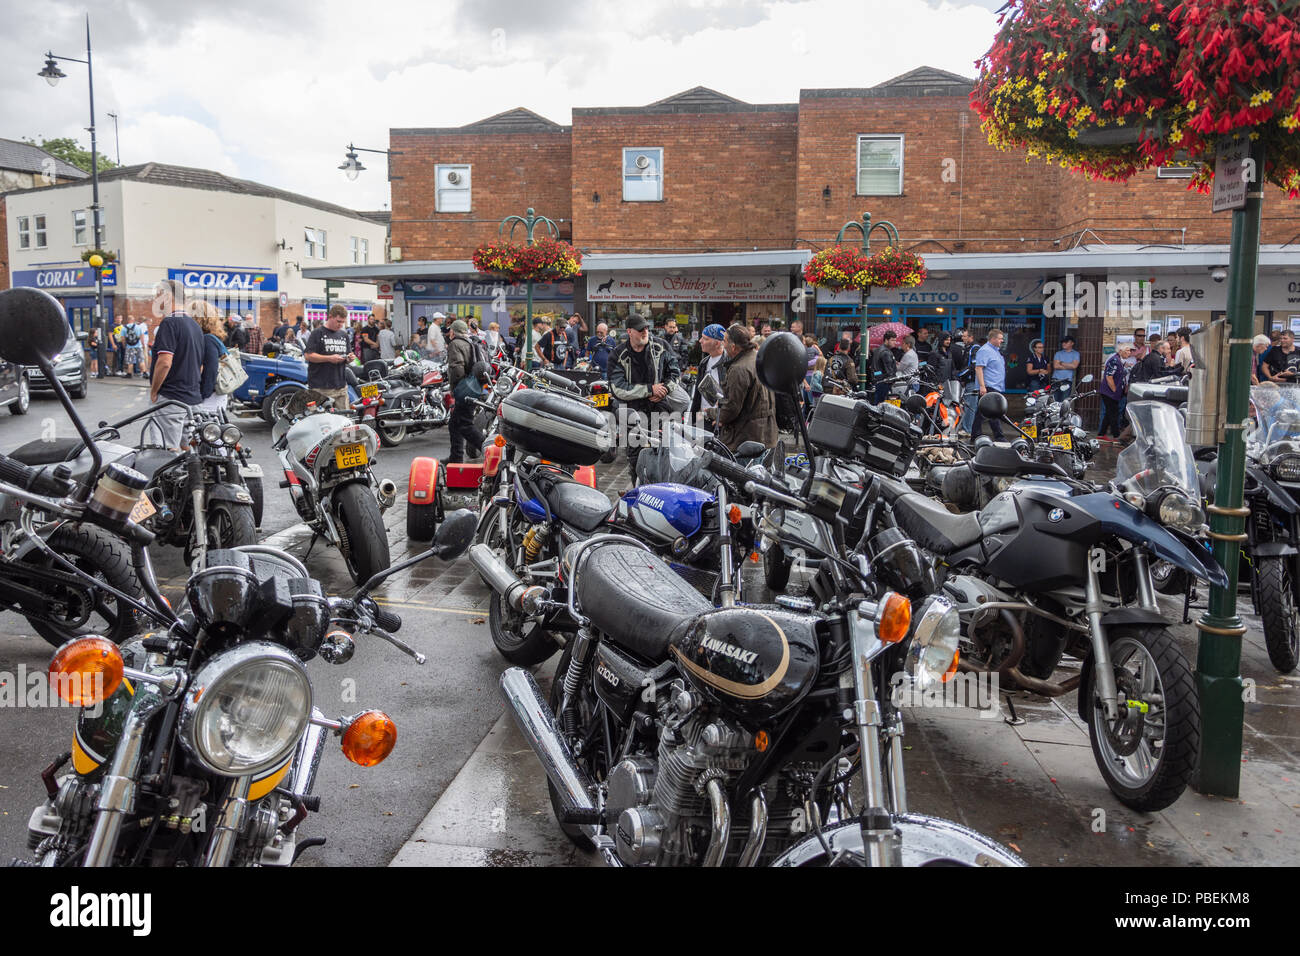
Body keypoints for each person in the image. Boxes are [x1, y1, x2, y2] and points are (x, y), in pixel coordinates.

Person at [608, 312, 680, 480]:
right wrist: (649, 390)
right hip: (633, 410)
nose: (645, 332)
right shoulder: (618, 354)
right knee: (635, 457)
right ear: (629, 332)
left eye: (646, 328)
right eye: (640, 329)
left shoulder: (661, 346)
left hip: (660, 406)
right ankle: (637, 489)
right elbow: (617, 388)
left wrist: (665, 389)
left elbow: (675, 372)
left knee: (664, 452)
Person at [148, 279, 207, 448]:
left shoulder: (169, 323)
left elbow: (165, 362)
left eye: (157, 295)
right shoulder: (195, 326)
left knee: (167, 451)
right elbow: (201, 365)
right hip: (193, 397)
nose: (155, 300)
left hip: (171, 397)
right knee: (188, 448)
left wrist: (154, 390)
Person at [716, 324, 777, 453]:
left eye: (725, 341)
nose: (723, 344)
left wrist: (712, 414)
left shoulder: (739, 369)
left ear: (733, 347)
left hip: (746, 439)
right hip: (766, 435)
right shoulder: (758, 357)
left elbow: (732, 408)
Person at [446, 320, 483, 463]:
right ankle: (455, 457)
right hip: (473, 387)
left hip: (464, 389)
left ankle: (489, 450)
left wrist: (457, 389)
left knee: (465, 425)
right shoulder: (470, 342)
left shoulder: (455, 344)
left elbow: (457, 368)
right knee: (454, 424)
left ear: (453, 331)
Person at [303, 304, 353, 410]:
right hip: (320, 388)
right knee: (321, 422)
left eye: (343, 322)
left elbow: (348, 355)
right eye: (338, 321)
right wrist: (329, 358)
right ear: (330, 317)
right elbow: (308, 355)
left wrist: (349, 358)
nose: (340, 325)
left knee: (343, 421)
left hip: (341, 387)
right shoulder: (317, 333)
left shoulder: (344, 335)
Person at [193, 302, 231, 414]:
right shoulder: (211, 338)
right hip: (215, 396)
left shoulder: (208, 340)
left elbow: (211, 371)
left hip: (211, 398)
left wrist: (202, 397)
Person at [970, 328, 1007, 441]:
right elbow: (979, 368)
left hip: (996, 386)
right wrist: (982, 386)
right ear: (993, 338)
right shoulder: (985, 350)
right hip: (988, 386)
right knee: (992, 411)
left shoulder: (995, 351)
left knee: (982, 412)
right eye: (1000, 339)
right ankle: (999, 436)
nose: (1002, 341)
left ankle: (975, 435)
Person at [689, 323, 728, 429]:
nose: (700, 341)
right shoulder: (704, 362)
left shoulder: (728, 363)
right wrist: (693, 417)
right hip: (702, 418)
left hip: (718, 420)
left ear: (716, 343)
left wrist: (723, 418)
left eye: (705, 339)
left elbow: (730, 395)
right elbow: (698, 393)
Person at [1098, 343, 1132, 441]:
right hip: (1109, 392)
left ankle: (1101, 434)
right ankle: (1116, 436)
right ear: (1120, 351)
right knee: (1113, 414)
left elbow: (1120, 373)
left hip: (1113, 392)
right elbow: (1109, 377)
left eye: (1130, 351)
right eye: (1127, 351)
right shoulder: (1114, 360)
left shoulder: (1119, 361)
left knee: (1110, 413)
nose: (1129, 353)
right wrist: (1115, 390)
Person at [870, 331, 898, 403]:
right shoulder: (886, 352)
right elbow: (889, 371)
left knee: (878, 403)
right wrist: (894, 379)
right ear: (886, 340)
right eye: (892, 340)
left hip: (878, 380)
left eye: (895, 340)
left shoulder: (878, 350)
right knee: (884, 404)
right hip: (885, 382)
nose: (895, 342)